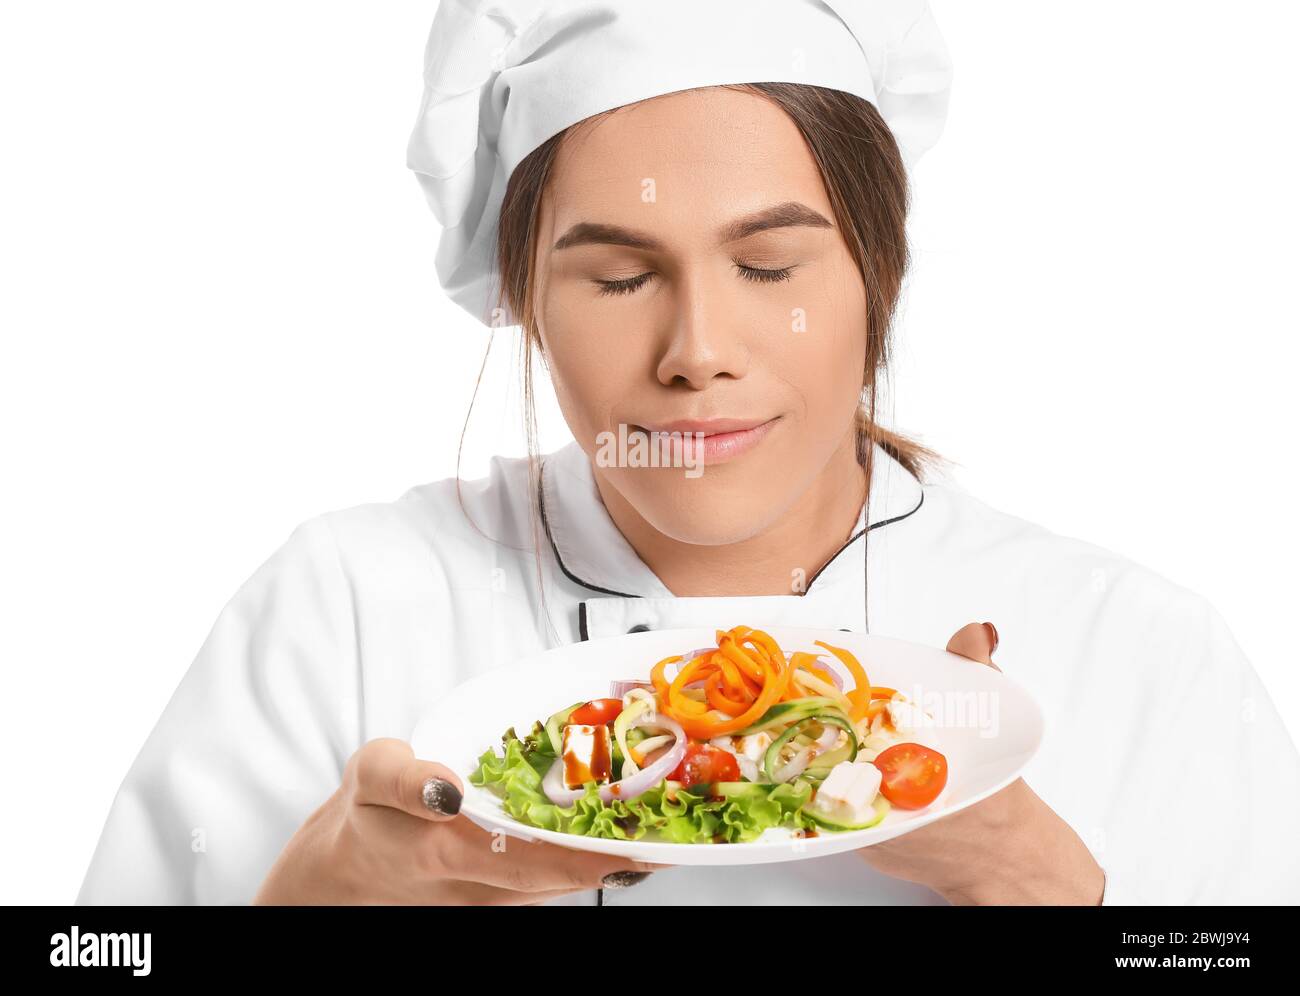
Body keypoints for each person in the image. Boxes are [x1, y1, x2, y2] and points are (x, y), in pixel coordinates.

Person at [76, 0, 1300, 906]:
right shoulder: (349, 603)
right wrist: (311, 900)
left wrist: (1049, 891)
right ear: (524, 299)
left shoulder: (1135, 645)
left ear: (880, 274)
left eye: (770, 268)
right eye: (616, 276)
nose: (697, 350)